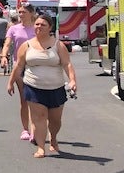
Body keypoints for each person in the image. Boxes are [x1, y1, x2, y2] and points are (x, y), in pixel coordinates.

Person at [7, 13, 78, 158]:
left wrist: (72, 80)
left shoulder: (59, 45)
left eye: (43, 25)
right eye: (37, 24)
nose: (39, 27)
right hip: (33, 88)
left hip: (56, 88)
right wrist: (11, 82)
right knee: (39, 118)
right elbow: (19, 66)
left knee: (55, 121)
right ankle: (41, 147)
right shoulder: (26, 45)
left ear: (50, 28)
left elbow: (67, 64)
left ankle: (53, 138)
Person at [0, 6, 37, 140]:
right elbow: (7, 44)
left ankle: (35, 129)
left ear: (31, 13)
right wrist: (4, 56)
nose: (21, 14)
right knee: (24, 99)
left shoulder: (37, 28)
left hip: (35, 66)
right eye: (19, 12)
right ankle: (25, 129)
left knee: (35, 100)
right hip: (19, 67)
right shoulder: (13, 29)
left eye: (24, 12)